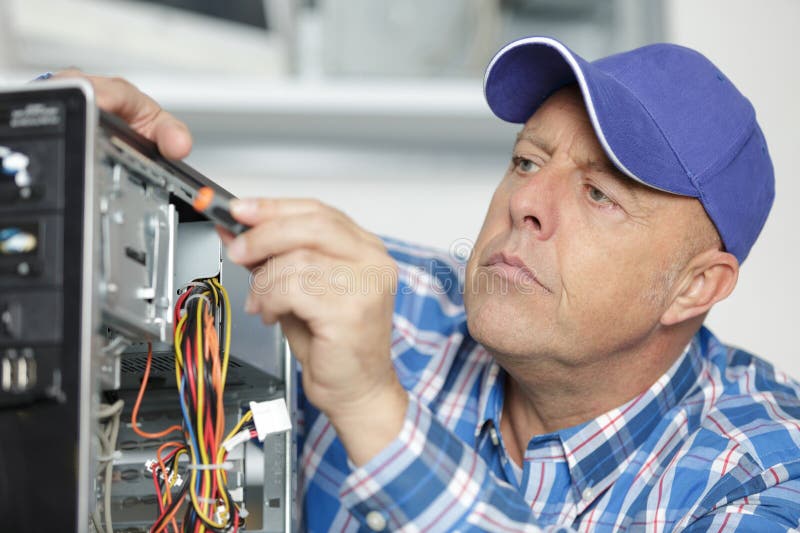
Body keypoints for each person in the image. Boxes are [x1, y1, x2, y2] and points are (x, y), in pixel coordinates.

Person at [58, 35, 800, 531]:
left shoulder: (762, 477)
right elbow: (145, 299)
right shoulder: (383, 298)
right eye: (527, 161)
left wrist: (377, 413)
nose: (527, 203)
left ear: (694, 288)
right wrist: (57, 145)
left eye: (599, 194)